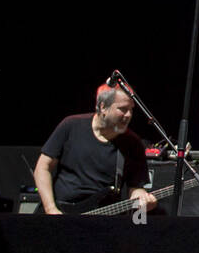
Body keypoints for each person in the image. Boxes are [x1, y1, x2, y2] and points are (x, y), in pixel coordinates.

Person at [33, 84, 157, 215]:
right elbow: (42, 168)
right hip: (61, 211)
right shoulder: (71, 126)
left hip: (101, 219)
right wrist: (51, 209)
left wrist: (143, 199)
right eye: (123, 109)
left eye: (131, 109)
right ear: (103, 107)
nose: (128, 115)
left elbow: (136, 187)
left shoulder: (133, 143)